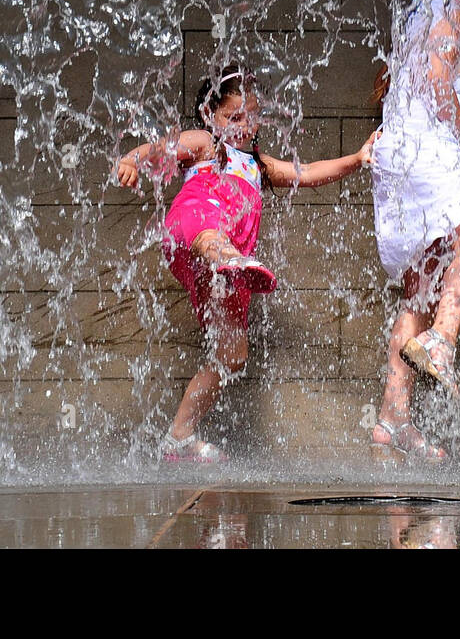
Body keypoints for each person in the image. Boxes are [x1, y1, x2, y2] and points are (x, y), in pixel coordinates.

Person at [117, 64, 377, 462]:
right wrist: (132, 160)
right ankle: (228, 258)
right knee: (212, 234)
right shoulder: (206, 144)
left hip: (219, 268)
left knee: (233, 351)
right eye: (233, 117)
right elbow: (162, 147)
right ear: (209, 115)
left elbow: (306, 174)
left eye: (251, 117)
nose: (243, 125)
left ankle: (178, 438)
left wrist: (358, 159)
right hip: (195, 229)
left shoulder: (258, 165)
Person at [368, 0, 460, 459]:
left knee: (419, 291)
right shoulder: (451, 19)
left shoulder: (427, 11)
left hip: (398, 157)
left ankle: (393, 418)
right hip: (430, 151)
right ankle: (441, 340)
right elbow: (434, 74)